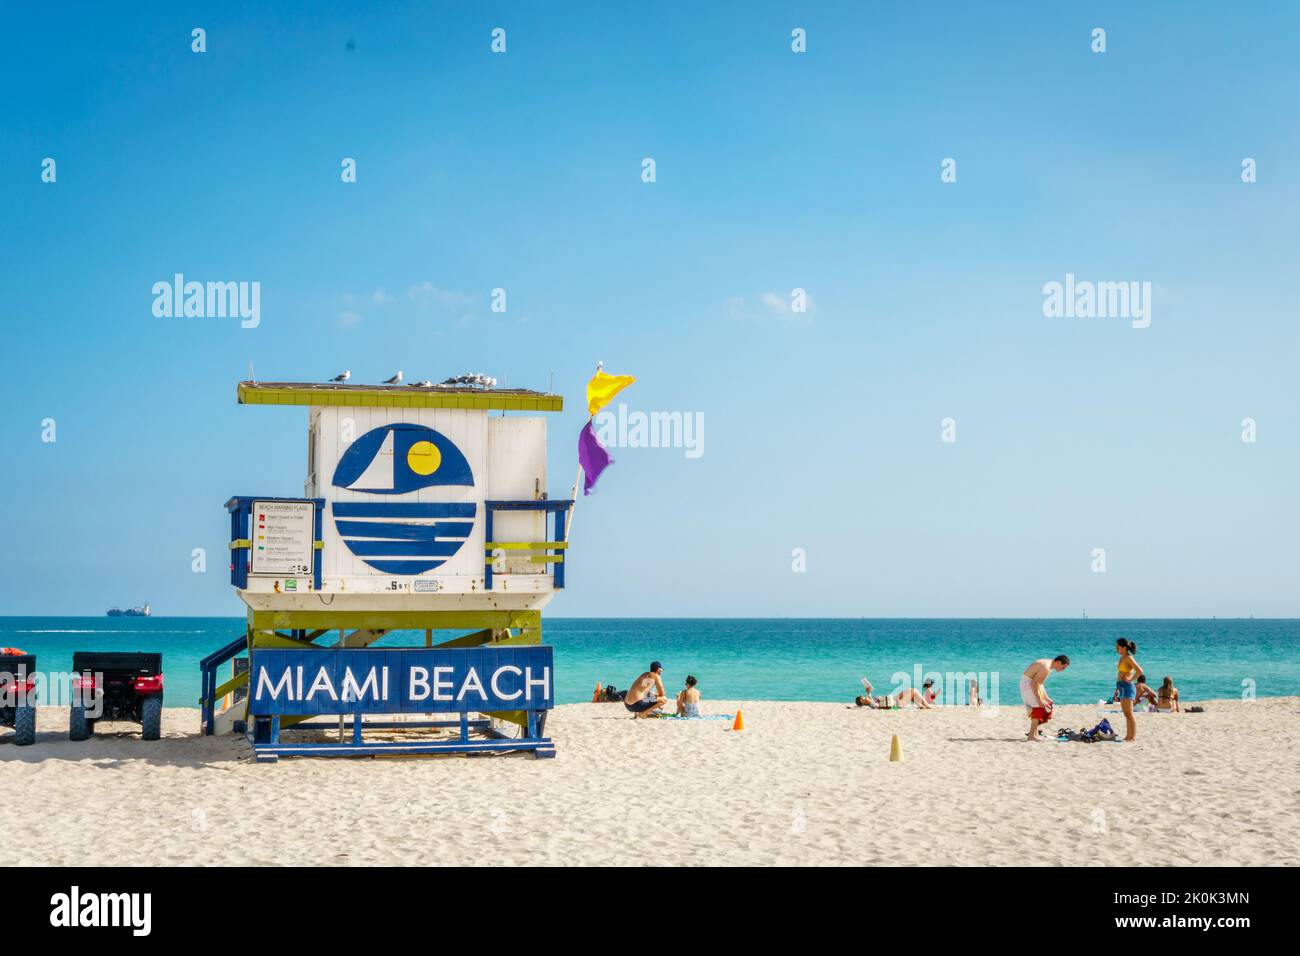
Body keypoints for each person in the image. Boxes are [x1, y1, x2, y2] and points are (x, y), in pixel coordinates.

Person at [1020, 655, 1070, 741]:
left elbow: (1040, 684)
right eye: (1063, 667)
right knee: (1038, 707)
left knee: (1045, 704)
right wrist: (1040, 699)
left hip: (1030, 683)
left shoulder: (1049, 667)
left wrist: (1046, 698)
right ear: (1058, 662)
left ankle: (1034, 734)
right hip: (1027, 684)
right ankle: (1031, 736)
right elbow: (1034, 684)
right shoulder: (1046, 667)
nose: (1063, 670)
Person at [1114, 639, 1144, 741]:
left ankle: (1133, 737)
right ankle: (1128, 736)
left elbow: (1140, 670)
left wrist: (1131, 679)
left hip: (1127, 687)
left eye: (1118, 647)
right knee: (1126, 714)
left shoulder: (1128, 658)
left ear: (1124, 647)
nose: (1116, 649)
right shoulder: (1122, 658)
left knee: (1129, 714)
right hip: (1121, 687)